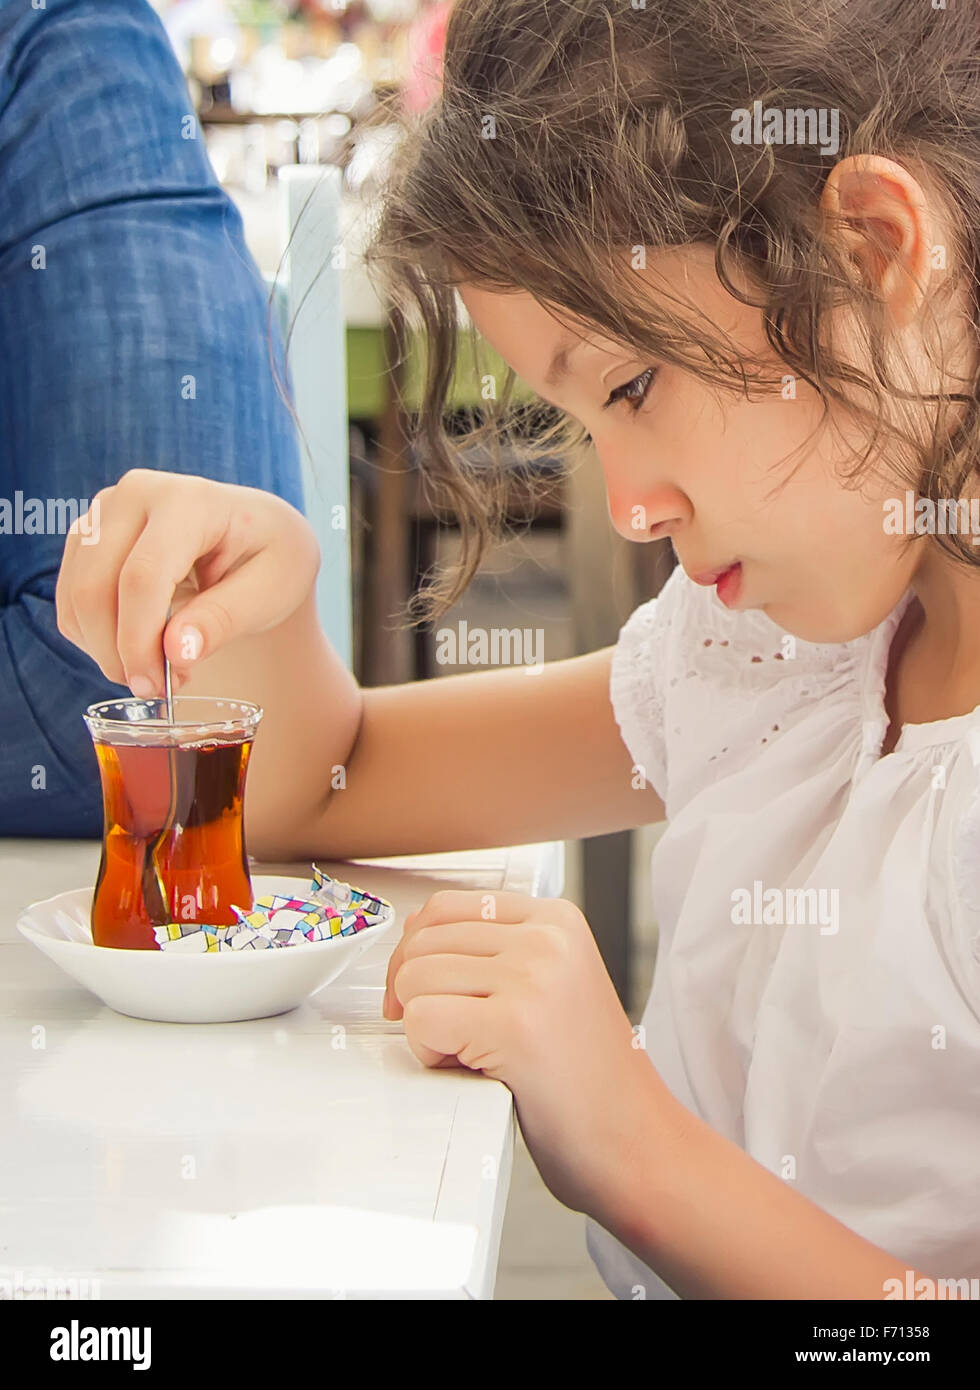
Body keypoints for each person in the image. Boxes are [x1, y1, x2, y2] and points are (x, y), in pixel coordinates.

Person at [56, 0, 980, 1299]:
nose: (626, 506)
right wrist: (265, 595)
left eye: (635, 388)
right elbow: (328, 784)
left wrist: (634, 1144)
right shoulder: (769, 659)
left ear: (877, 245)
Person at [0, 0, 302, 836]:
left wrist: (282, 591)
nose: (625, 504)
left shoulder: (39, 37)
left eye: (628, 388)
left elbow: (128, 698)